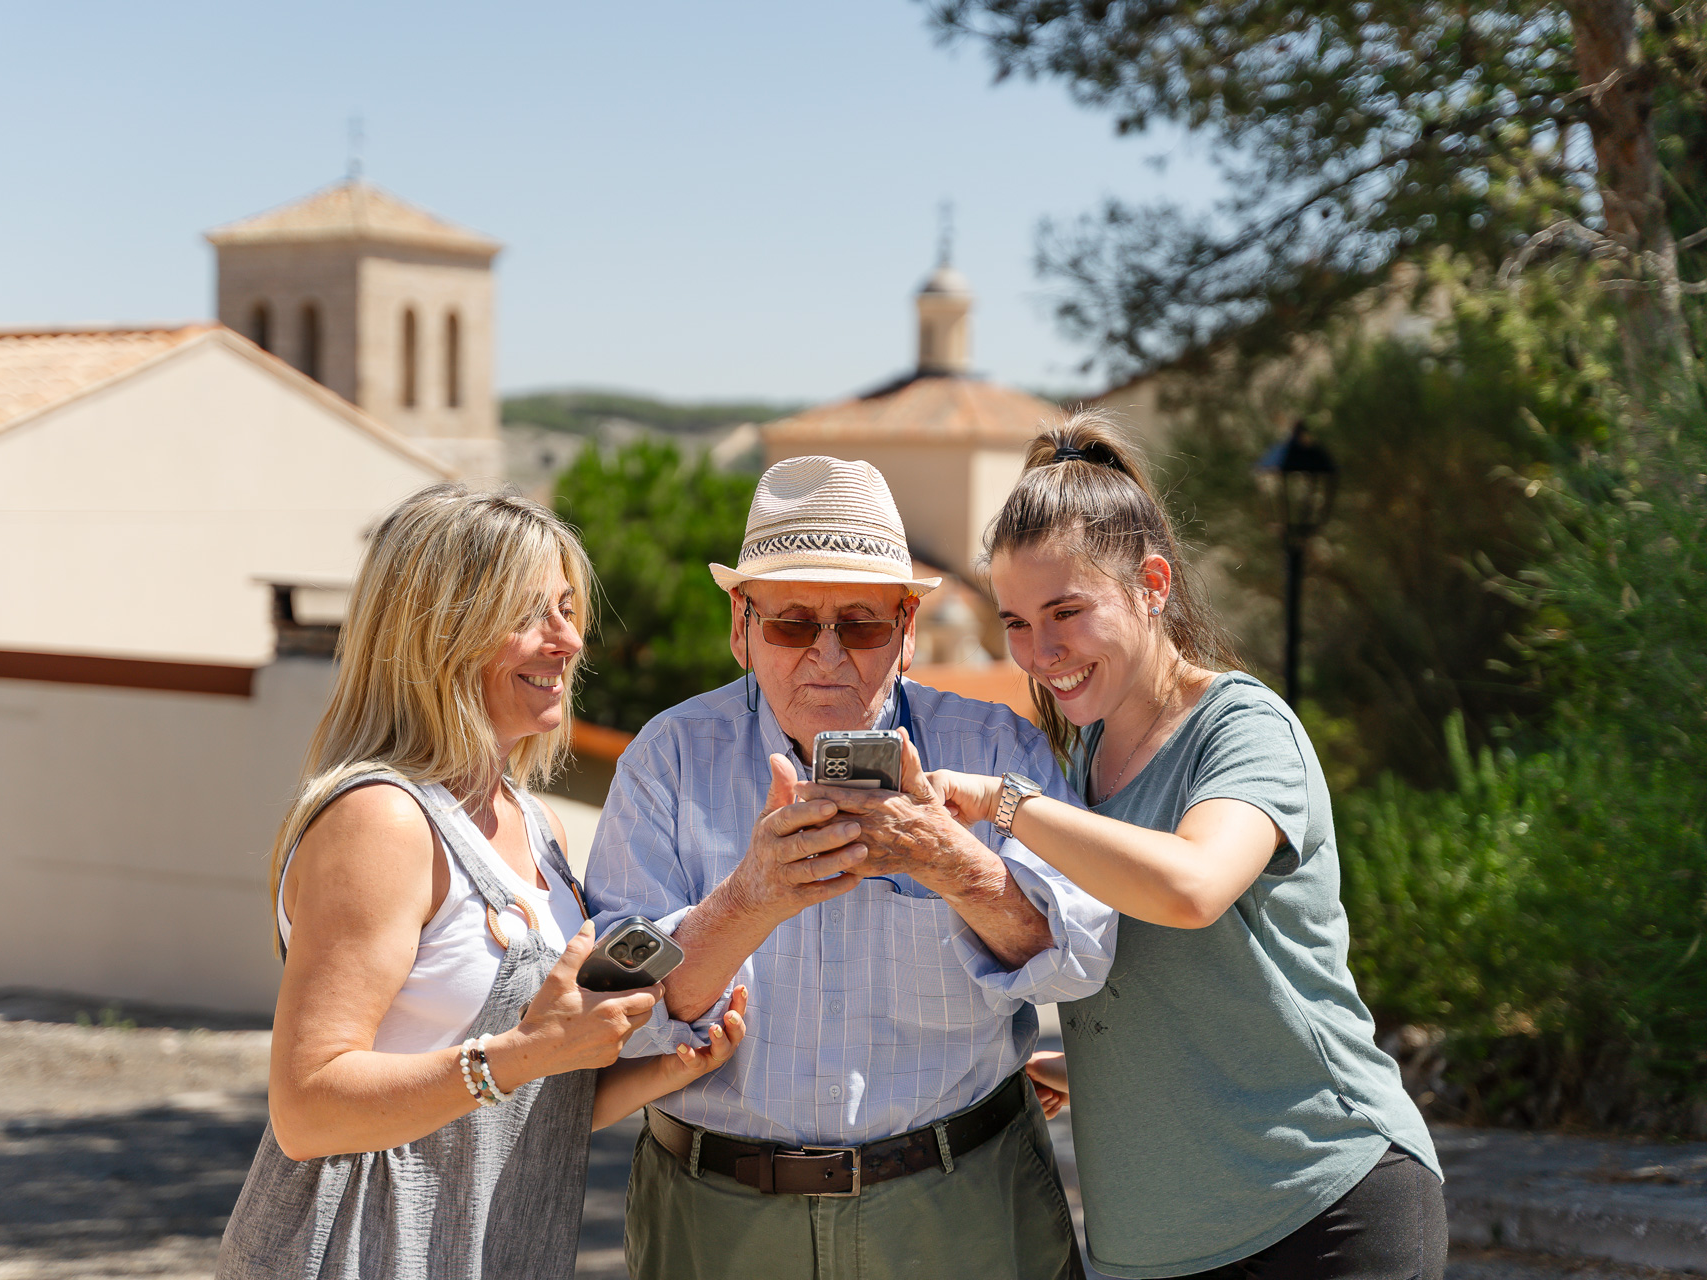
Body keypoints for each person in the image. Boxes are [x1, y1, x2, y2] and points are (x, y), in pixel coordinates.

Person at [914, 412, 1445, 1279]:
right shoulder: (1078, 763)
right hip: (1149, 1247)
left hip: (1322, 1207)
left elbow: (1192, 889)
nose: (1040, 653)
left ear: (1152, 583)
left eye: (1066, 612)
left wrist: (1007, 804)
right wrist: (1110, 1056)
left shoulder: (1241, 728)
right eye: (1013, 622)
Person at [583, 456, 1115, 1280]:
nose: (826, 656)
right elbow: (624, 1006)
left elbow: (1079, 956)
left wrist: (951, 864)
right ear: (740, 625)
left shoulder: (997, 750)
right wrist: (748, 901)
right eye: (793, 624)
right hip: (717, 1220)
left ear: (906, 629)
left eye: (861, 625)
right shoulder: (670, 758)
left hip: (960, 1205)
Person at [217, 484, 747, 1280]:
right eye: (529, 613)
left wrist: (658, 1071)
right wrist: (525, 1050)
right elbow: (306, 1108)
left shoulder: (538, 827)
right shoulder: (383, 821)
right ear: (439, 633)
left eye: (568, 609)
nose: (567, 640)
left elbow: (517, 1107)